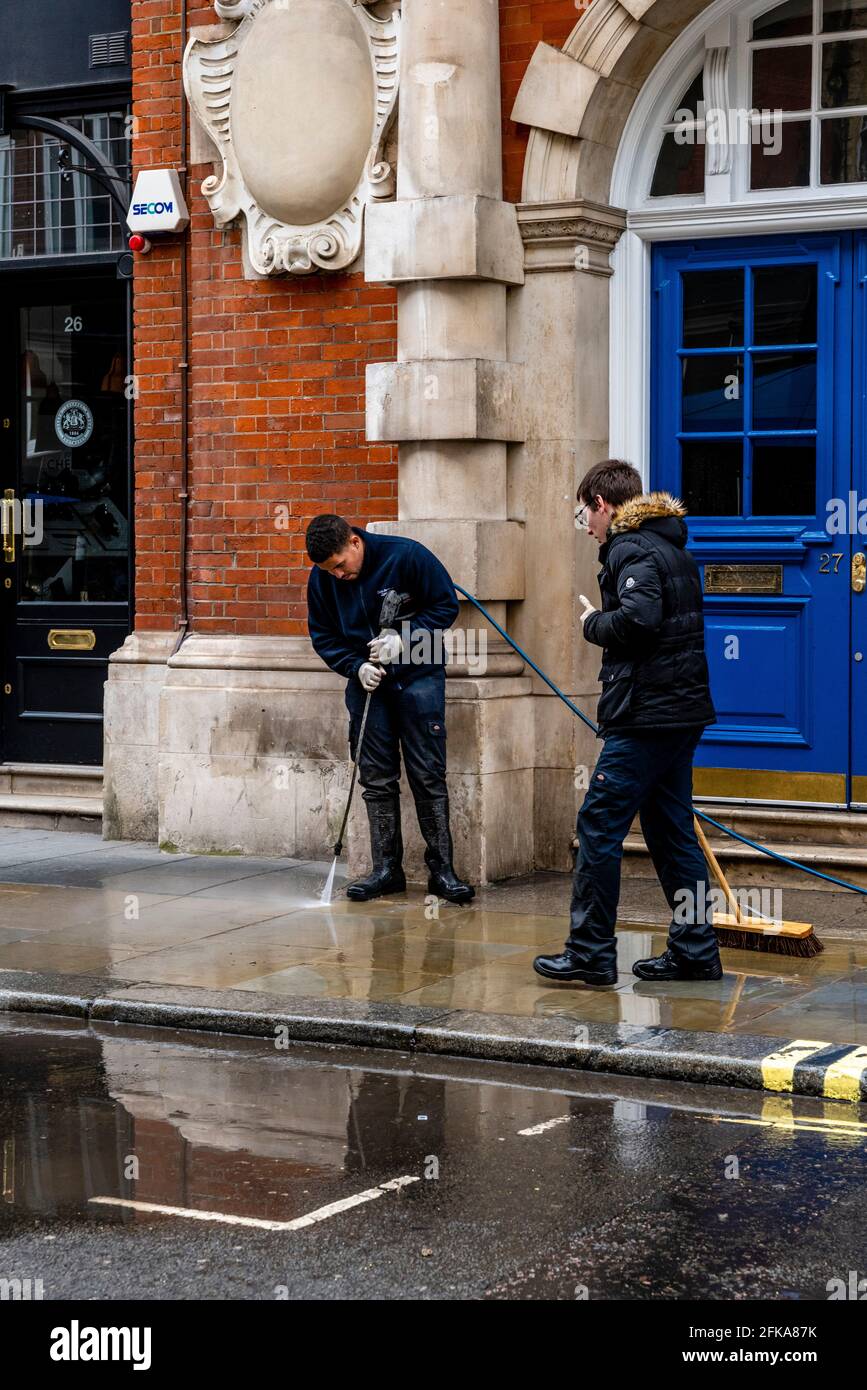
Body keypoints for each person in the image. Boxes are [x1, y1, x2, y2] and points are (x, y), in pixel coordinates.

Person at [533, 460, 722, 986]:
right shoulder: (673, 546)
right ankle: (695, 951)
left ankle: (590, 953)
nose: (586, 528)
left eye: (583, 515)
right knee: (671, 833)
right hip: (682, 710)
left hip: (646, 714)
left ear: (601, 504)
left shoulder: (628, 546)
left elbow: (640, 621)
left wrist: (593, 622)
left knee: (598, 825)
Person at [305, 513, 473, 904]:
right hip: (368, 686)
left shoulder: (407, 557)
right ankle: (386, 871)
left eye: (341, 566)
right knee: (377, 778)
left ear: (355, 543)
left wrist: (405, 639)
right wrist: (355, 666)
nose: (338, 576)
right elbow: (324, 636)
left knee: (428, 773)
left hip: (420, 676)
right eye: (330, 571)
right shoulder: (323, 580)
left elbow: (445, 607)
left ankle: (442, 872)